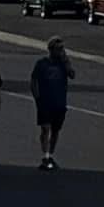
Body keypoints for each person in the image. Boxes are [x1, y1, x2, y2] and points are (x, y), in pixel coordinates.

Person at [30, 38, 75, 170]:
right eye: (58, 49)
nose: (60, 51)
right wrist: (37, 97)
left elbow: (72, 74)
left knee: (55, 131)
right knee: (45, 129)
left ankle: (50, 155)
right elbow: (34, 81)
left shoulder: (63, 64)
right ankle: (45, 155)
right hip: (45, 102)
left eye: (62, 49)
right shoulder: (42, 64)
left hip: (59, 103)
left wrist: (66, 61)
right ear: (51, 49)